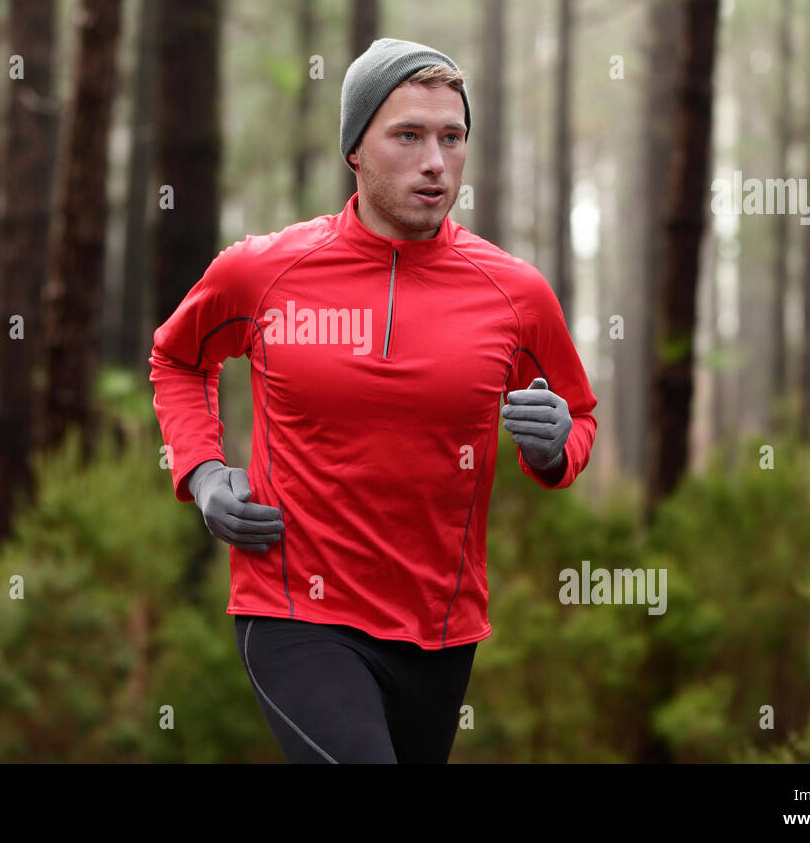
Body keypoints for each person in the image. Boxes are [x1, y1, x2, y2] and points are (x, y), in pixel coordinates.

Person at [149, 37, 598, 763]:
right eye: (409, 136)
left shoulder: (515, 294)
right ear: (355, 149)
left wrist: (554, 447)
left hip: (439, 629)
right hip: (295, 609)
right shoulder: (263, 273)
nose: (436, 161)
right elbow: (176, 357)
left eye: (452, 138)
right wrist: (201, 473)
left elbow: (579, 416)